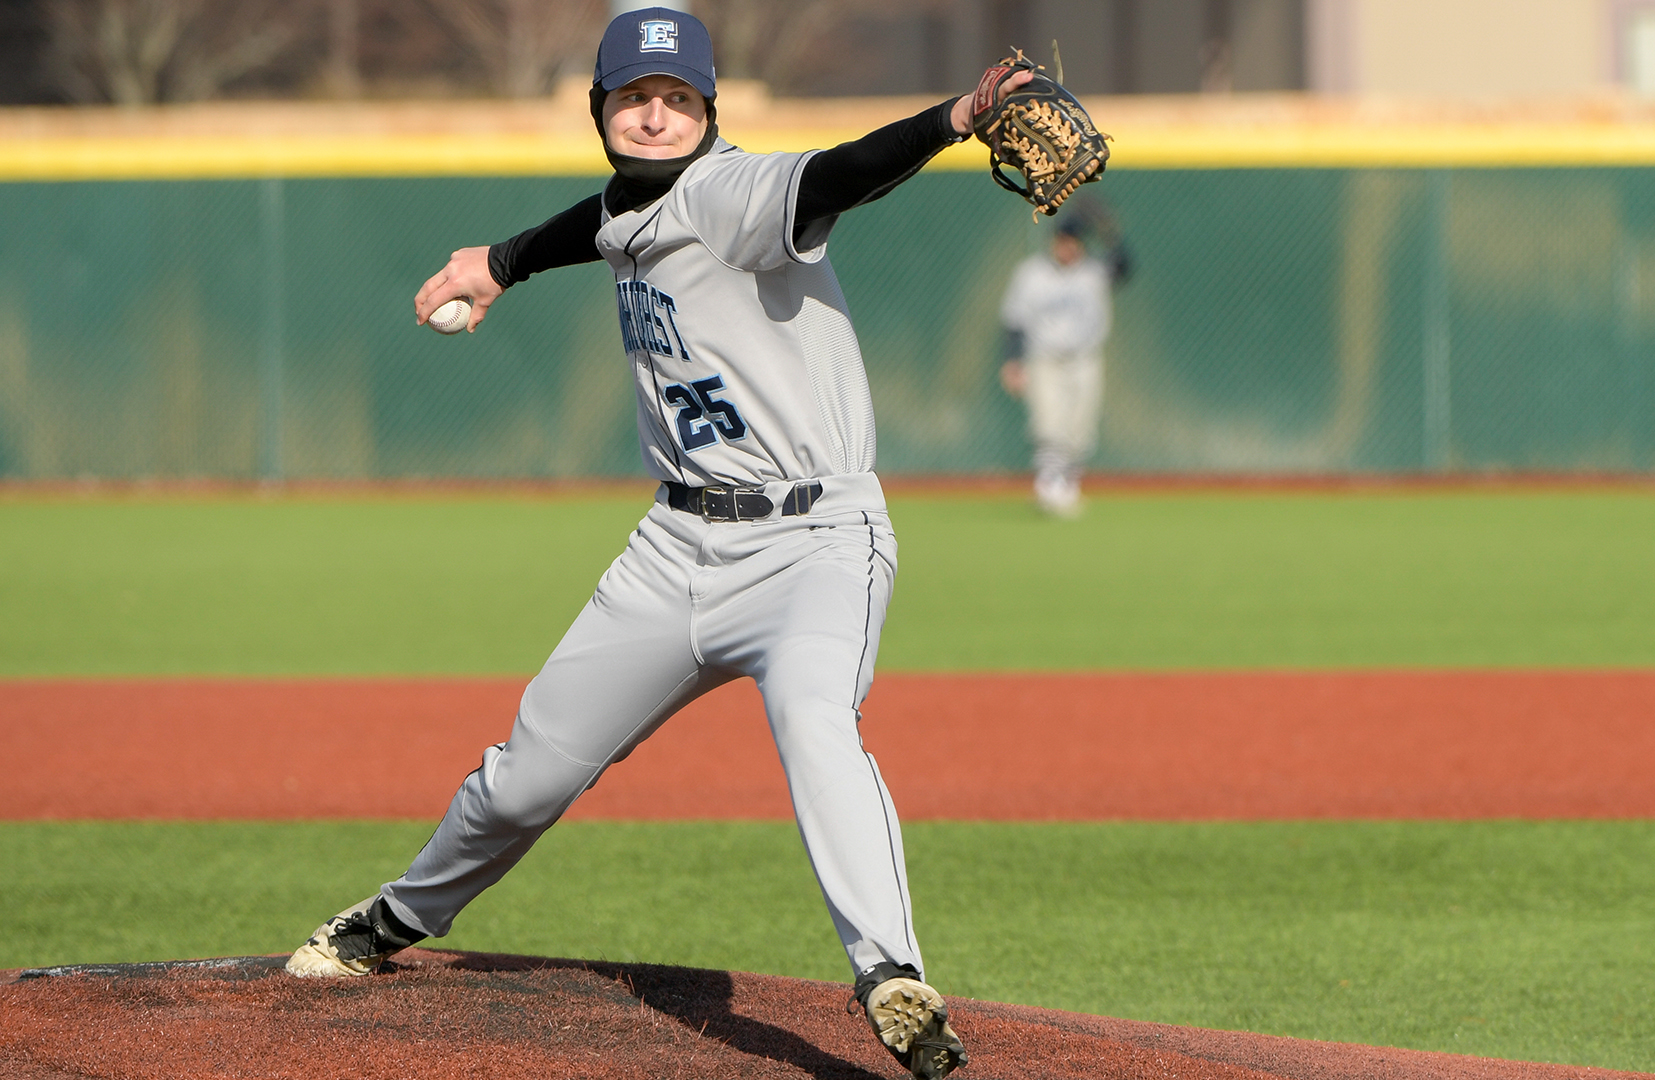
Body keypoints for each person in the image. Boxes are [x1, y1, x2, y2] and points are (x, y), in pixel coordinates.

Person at [283, 11, 1030, 1079]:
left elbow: (830, 177)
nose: (656, 112)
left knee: (818, 725)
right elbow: (596, 225)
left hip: (813, 542)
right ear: (600, 109)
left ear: (708, 112)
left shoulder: (731, 193)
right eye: (636, 95)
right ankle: (394, 917)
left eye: (679, 98)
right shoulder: (634, 207)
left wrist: (953, 120)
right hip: (675, 546)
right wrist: (497, 262)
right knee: (528, 775)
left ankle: (891, 975)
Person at [997, 206, 1131, 518]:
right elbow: (1014, 321)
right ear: (1053, 241)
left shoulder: (1094, 271)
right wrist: (1013, 362)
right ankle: (1049, 484)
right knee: (1048, 423)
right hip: (1044, 358)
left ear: (1082, 245)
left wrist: (1108, 230)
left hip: (1084, 359)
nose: (1066, 247)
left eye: (1073, 241)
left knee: (1080, 429)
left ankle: (1068, 483)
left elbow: (1126, 267)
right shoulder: (1032, 273)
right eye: (1061, 241)